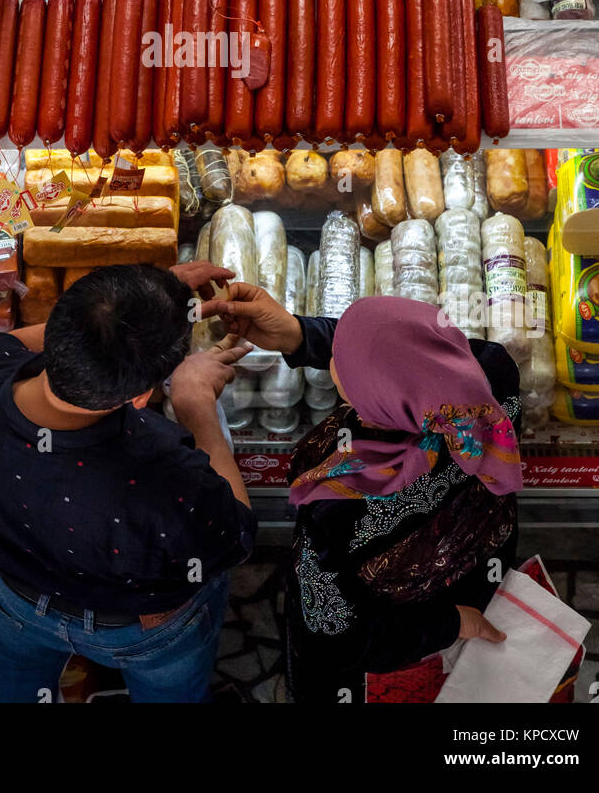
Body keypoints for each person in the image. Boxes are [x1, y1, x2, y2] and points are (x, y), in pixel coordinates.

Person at [0, 260, 255, 704]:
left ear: (55, 323)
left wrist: (138, 303)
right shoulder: (168, 475)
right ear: (141, 397)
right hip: (139, 630)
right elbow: (238, 532)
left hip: (12, 590)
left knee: (14, 676)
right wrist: (197, 405)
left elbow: (9, 344)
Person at [199, 285, 523, 704]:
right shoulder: (495, 379)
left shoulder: (338, 502)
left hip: (403, 633)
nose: (333, 357)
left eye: (340, 361)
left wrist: (449, 625)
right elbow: (410, 354)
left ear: (372, 402)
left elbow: (335, 634)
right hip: (479, 581)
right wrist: (298, 334)